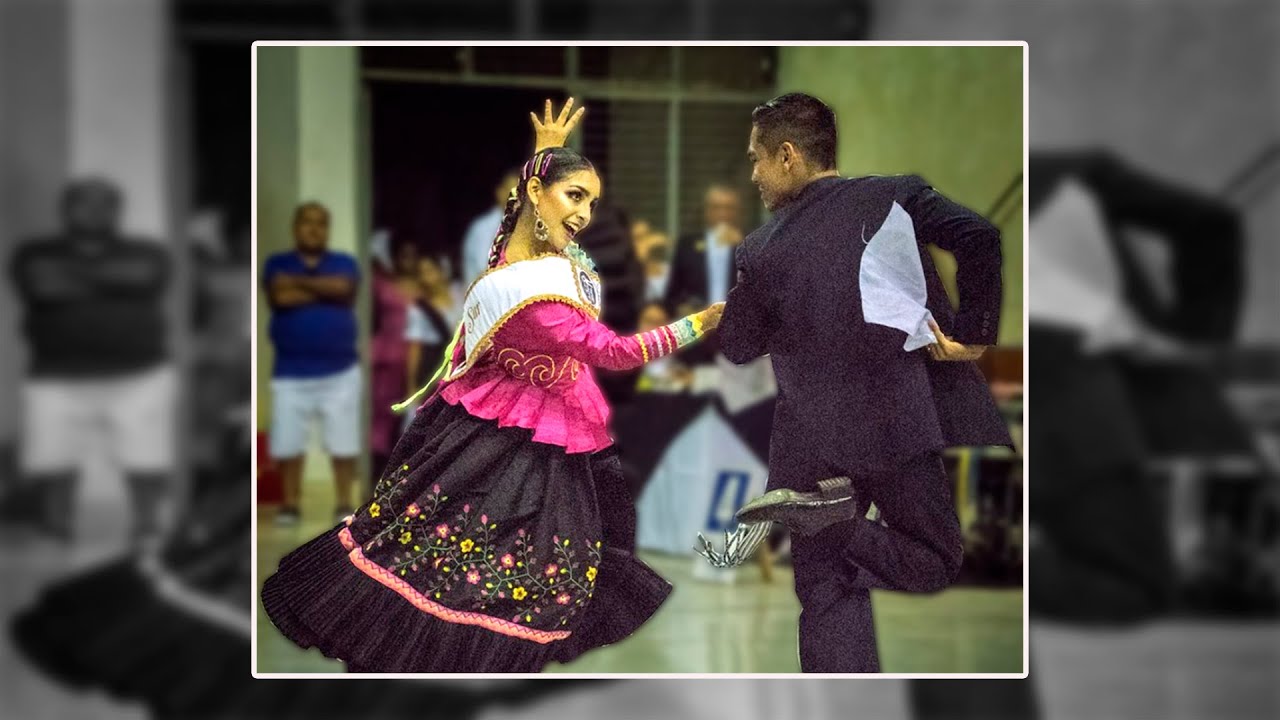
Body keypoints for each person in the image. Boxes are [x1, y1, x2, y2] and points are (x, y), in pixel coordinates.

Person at [260, 99, 726, 673]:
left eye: (591, 201)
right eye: (573, 195)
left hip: (528, 417)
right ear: (540, 194)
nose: (584, 213)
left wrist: (545, 157)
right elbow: (617, 351)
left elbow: (519, 213)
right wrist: (700, 322)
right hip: (513, 438)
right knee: (500, 566)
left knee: (509, 562)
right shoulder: (538, 297)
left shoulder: (519, 248)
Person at [719, 93, 1011, 672]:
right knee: (933, 557)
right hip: (895, 428)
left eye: (755, 159)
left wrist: (734, 305)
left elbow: (737, 347)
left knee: (826, 595)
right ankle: (842, 524)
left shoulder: (760, 249)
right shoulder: (892, 196)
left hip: (809, 452)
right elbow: (979, 237)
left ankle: (833, 528)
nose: (751, 174)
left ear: (787, 156)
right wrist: (975, 334)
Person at [9, 178, 175, 546]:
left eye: (105, 204)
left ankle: (148, 526)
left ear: (118, 211)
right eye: (83, 203)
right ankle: (57, 527)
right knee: (53, 458)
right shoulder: (33, 252)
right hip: (55, 375)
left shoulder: (147, 252)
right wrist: (115, 281)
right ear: (65, 209)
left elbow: (147, 277)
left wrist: (73, 279)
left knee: (145, 455)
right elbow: (42, 285)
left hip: (139, 375)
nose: (94, 211)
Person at [262, 202, 361, 526]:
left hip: (341, 370)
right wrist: (324, 290)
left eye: (321, 223)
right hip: (290, 370)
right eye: (307, 223)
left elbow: (344, 289)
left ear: (327, 229)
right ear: (296, 227)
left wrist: (298, 285)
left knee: (343, 441)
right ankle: (290, 504)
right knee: (289, 443)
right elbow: (279, 296)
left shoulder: (343, 263)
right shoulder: (277, 263)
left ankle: (344, 502)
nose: (314, 229)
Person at [664, 184, 745, 366]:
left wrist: (742, 246)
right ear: (706, 211)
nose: (723, 214)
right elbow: (672, 295)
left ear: (737, 212)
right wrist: (682, 310)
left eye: (728, 208)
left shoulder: (750, 245)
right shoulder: (687, 245)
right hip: (697, 334)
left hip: (736, 338)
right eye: (717, 207)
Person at [371, 234, 422, 490]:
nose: (408, 261)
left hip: (418, 356)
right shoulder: (383, 283)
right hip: (388, 355)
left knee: (414, 414)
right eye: (403, 256)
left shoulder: (426, 285)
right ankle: (377, 471)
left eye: (413, 256)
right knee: (383, 412)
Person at [462, 167, 523, 286]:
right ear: (499, 193)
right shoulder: (482, 229)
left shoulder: (532, 226)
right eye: (514, 192)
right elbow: (484, 270)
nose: (518, 198)